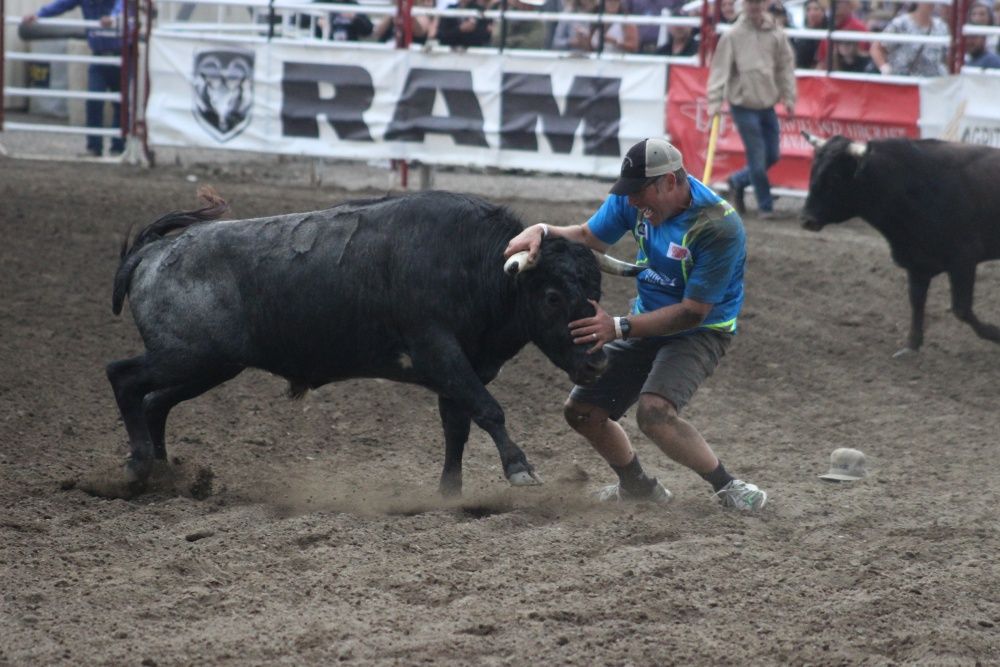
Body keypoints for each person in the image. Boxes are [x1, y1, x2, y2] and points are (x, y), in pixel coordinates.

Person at [502, 138, 768, 512]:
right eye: (627, 194)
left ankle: (728, 485)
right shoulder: (635, 199)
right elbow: (589, 236)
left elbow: (694, 311)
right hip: (642, 317)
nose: (631, 203)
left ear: (670, 182)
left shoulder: (717, 227)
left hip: (700, 331)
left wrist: (617, 326)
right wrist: (542, 229)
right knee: (582, 412)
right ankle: (637, 485)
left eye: (639, 193)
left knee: (654, 413)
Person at [706, 0, 795, 220]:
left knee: (772, 154)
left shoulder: (776, 33)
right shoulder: (733, 35)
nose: (754, 6)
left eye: (757, 2)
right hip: (742, 104)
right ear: (744, 5)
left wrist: (789, 96)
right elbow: (720, 70)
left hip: (767, 103)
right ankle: (765, 205)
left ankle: (737, 181)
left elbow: (785, 66)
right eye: (750, 3)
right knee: (757, 155)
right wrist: (714, 102)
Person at [22, 0, 124, 158]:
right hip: (99, 55)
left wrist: (113, 17)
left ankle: (118, 147)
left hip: (121, 55)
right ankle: (94, 147)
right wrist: (39, 15)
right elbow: (61, 4)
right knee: (93, 100)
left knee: (121, 103)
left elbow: (121, 5)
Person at [869, 0, 948, 76]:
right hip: (904, 82)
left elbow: (946, 57)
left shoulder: (941, 27)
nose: (931, 3)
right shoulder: (901, 23)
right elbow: (877, 47)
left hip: (932, 83)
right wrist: (885, 68)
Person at [814, 0, 869, 71]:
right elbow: (821, 62)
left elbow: (862, 58)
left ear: (849, 4)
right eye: (832, 2)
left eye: (839, 1)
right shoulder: (829, 28)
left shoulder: (859, 28)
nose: (835, 4)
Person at [794, 0, 828, 68]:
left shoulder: (829, 31)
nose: (812, 13)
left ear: (823, 12)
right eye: (808, 9)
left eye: (816, 9)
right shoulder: (802, 33)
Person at [965, 1, 1000, 67]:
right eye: (974, 14)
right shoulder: (966, 32)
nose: (977, 18)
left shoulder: (997, 35)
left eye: (982, 14)